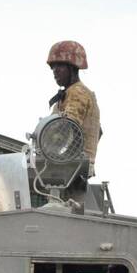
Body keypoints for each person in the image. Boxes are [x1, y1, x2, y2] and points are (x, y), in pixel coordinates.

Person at [46, 41, 101, 175]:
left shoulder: (78, 93)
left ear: (72, 68)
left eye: (59, 66)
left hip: (73, 167)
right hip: (70, 165)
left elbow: (66, 130)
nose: (55, 71)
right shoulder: (68, 93)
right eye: (53, 67)